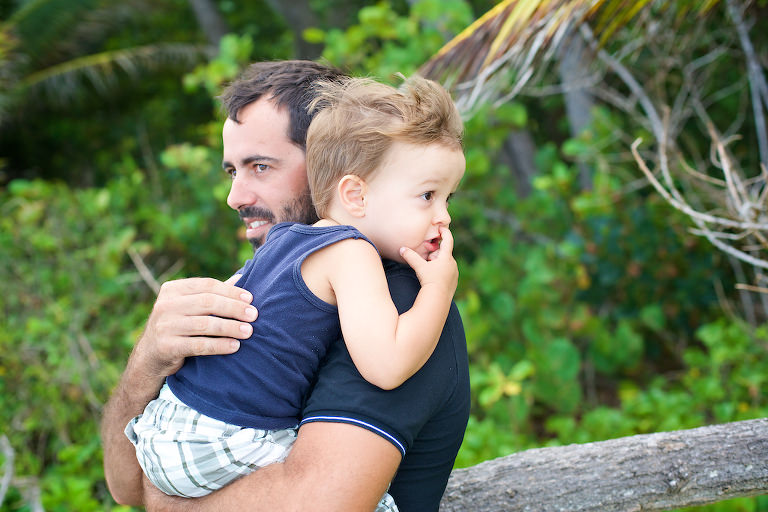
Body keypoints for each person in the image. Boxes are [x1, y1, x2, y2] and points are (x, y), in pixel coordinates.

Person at [101, 60, 471, 512]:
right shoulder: (276, 275)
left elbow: (317, 504)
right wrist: (147, 360)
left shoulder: (402, 297)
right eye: (232, 171)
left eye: (260, 166)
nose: (235, 197)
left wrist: (164, 503)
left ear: (329, 165)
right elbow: (126, 486)